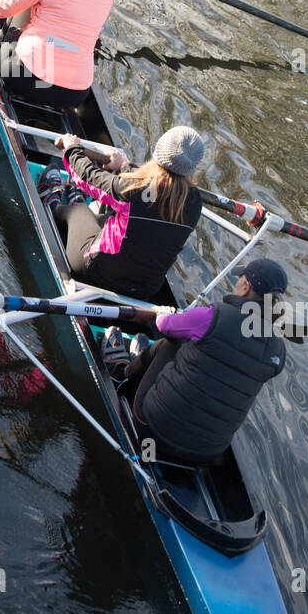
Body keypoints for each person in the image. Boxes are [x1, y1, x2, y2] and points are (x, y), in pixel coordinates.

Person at [106, 258, 289, 467]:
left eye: (240, 279)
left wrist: (163, 314)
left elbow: (165, 325)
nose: (237, 283)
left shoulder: (214, 315)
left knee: (171, 342)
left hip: (153, 430)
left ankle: (120, 375)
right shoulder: (278, 351)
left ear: (246, 287)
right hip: (206, 455)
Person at [40, 127, 204, 302]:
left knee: (80, 210)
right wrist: (123, 167)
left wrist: (72, 149)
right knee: (110, 219)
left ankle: (53, 202)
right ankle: (77, 202)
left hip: (95, 271)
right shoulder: (195, 203)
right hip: (144, 290)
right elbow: (150, 196)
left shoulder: (132, 188)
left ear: (160, 151)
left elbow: (88, 178)